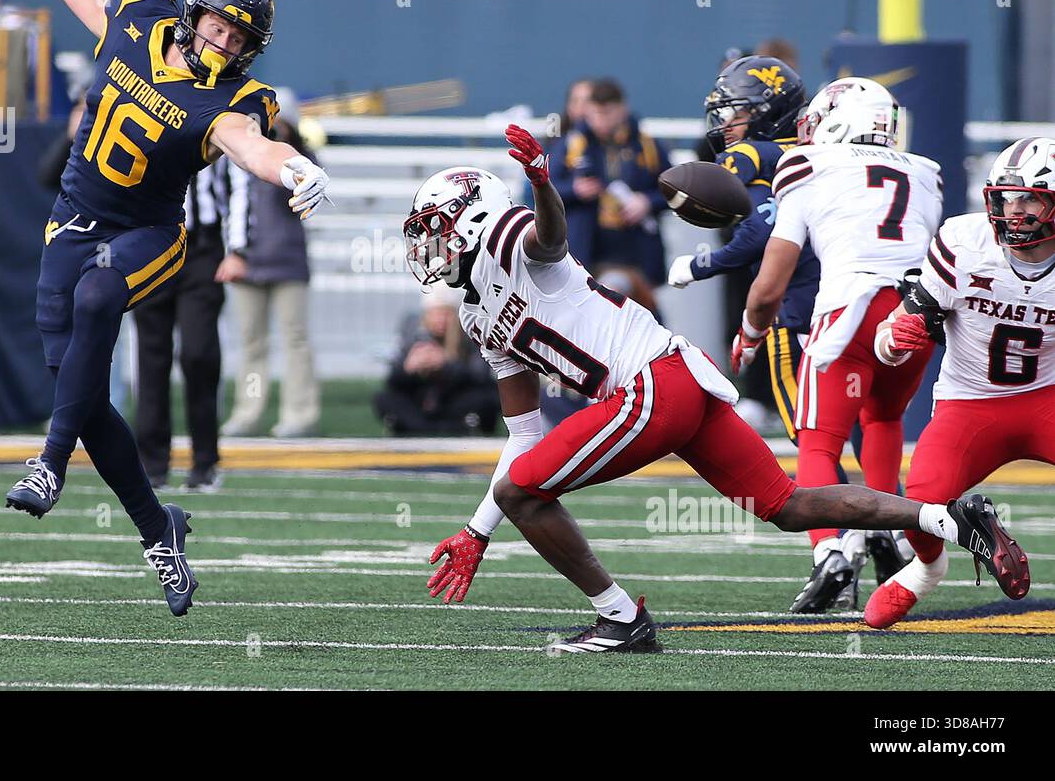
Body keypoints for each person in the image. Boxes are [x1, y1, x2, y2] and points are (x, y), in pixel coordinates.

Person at [410, 126, 1027, 652]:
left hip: (650, 385)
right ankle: (950, 521)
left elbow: (550, 239)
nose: (428, 244)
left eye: (437, 227)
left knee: (524, 492)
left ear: (474, 219)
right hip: (675, 381)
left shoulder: (508, 241)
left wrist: (544, 181)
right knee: (787, 504)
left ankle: (621, 619)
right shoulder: (474, 316)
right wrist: (477, 529)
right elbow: (523, 434)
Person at [0, 0, 331, 616]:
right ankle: (159, 529)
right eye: (219, 28)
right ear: (193, 15)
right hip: (72, 219)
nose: (226, 45)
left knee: (97, 299)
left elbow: (252, 146)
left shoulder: (234, 103)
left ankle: (48, 466)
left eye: (241, 39)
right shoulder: (139, 21)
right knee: (79, 396)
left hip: (151, 235)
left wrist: (295, 167)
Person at [741, 92, 944, 613]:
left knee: (819, 443)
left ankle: (829, 550)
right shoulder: (924, 171)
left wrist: (750, 330)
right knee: (883, 422)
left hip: (847, 312)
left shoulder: (809, 165)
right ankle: (889, 538)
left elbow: (770, 282)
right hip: (913, 315)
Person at [864, 138, 1054, 628]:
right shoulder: (965, 242)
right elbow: (894, 335)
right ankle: (925, 569)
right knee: (921, 502)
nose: (1014, 210)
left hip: (1047, 397)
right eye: (1006, 197)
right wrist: (893, 340)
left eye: (1030, 197)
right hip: (970, 402)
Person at [668, 56, 817, 445]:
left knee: (813, 437)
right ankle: (901, 504)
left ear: (767, 114)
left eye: (737, 113)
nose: (725, 124)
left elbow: (758, 238)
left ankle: (837, 505)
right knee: (864, 427)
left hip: (796, 309)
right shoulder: (821, 151)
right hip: (846, 303)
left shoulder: (751, 154)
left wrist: (699, 265)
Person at [133, 155, 248, 492]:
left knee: (199, 354)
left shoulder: (212, 118)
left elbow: (239, 183)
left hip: (201, 248)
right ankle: (151, 463)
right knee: (151, 357)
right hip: (151, 243)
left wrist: (238, 248)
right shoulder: (144, 114)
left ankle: (205, 460)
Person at [220, 87, 321, 440]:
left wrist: (291, 144)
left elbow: (308, 184)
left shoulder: (300, 156)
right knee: (252, 342)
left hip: (288, 261)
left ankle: (300, 412)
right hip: (247, 261)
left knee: (295, 339)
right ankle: (249, 410)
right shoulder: (240, 151)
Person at [577, 79, 671, 308]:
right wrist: (576, 189)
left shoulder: (647, 145)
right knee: (599, 312)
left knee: (647, 316)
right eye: (595, 114)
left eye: (606, 113)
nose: (600, 121)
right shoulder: (576, 144)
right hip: (592, 250)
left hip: (637, 251)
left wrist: (647, 202)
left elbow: (672, 190)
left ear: (622, 109)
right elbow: (547, 184)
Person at [373, 285, 500, 436]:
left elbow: (480, 375)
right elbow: (393, 380)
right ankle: (424, 427)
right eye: (435, 314)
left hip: (455, 400)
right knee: (385, 398)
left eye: (446, 314)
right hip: (421, 401)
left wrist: (445, 365)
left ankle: (442, 428)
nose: (440, 320)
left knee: (486, 397)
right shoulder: (412, 335)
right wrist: (409, 368)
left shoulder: (469, 334)